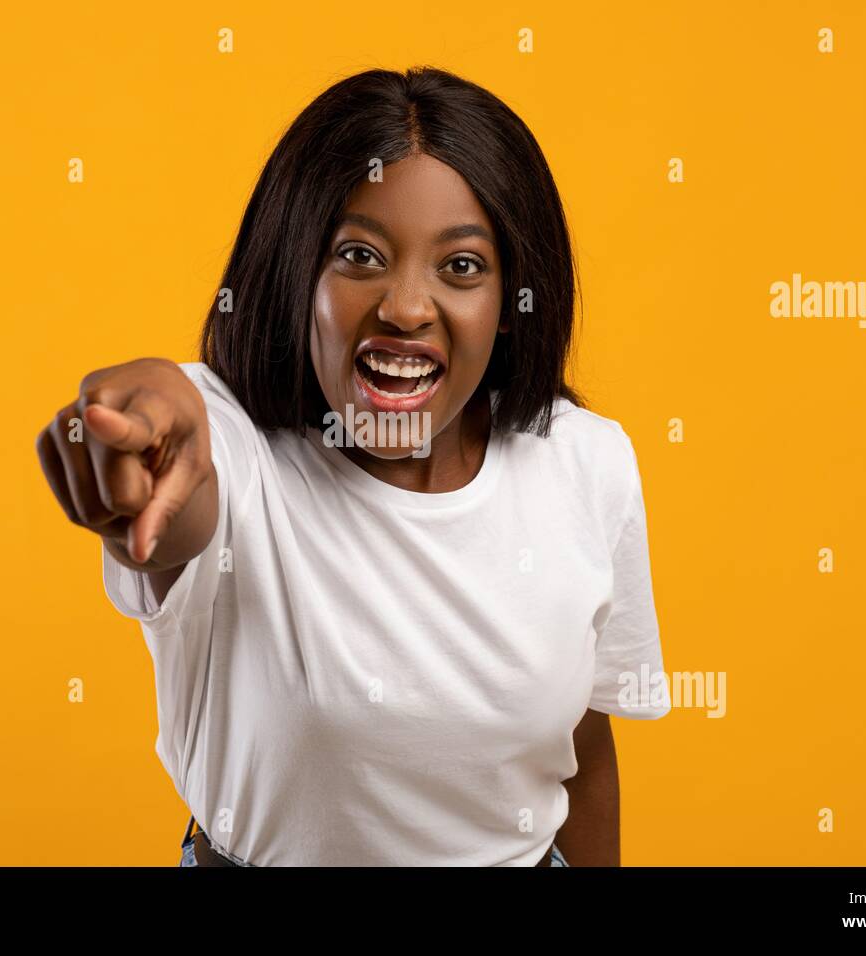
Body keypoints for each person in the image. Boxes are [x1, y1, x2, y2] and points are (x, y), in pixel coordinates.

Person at [35, 66, 671, 866]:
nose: (406, 307)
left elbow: (581, 745)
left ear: (512, 306)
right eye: (360, 255)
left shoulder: (585, 463)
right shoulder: (234, 451)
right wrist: (127, 425)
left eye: (462, 267)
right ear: (294, 274)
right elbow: (172, 443)